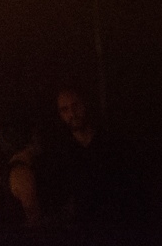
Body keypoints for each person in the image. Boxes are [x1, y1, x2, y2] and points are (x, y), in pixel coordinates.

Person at [42, 86, 121, 222]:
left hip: (117, 224)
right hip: (82, 229)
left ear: (84, 104)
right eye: (65, 109)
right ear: (60, 115)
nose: (72, 113)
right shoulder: (61, 153)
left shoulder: (110, 143)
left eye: (75, 106)